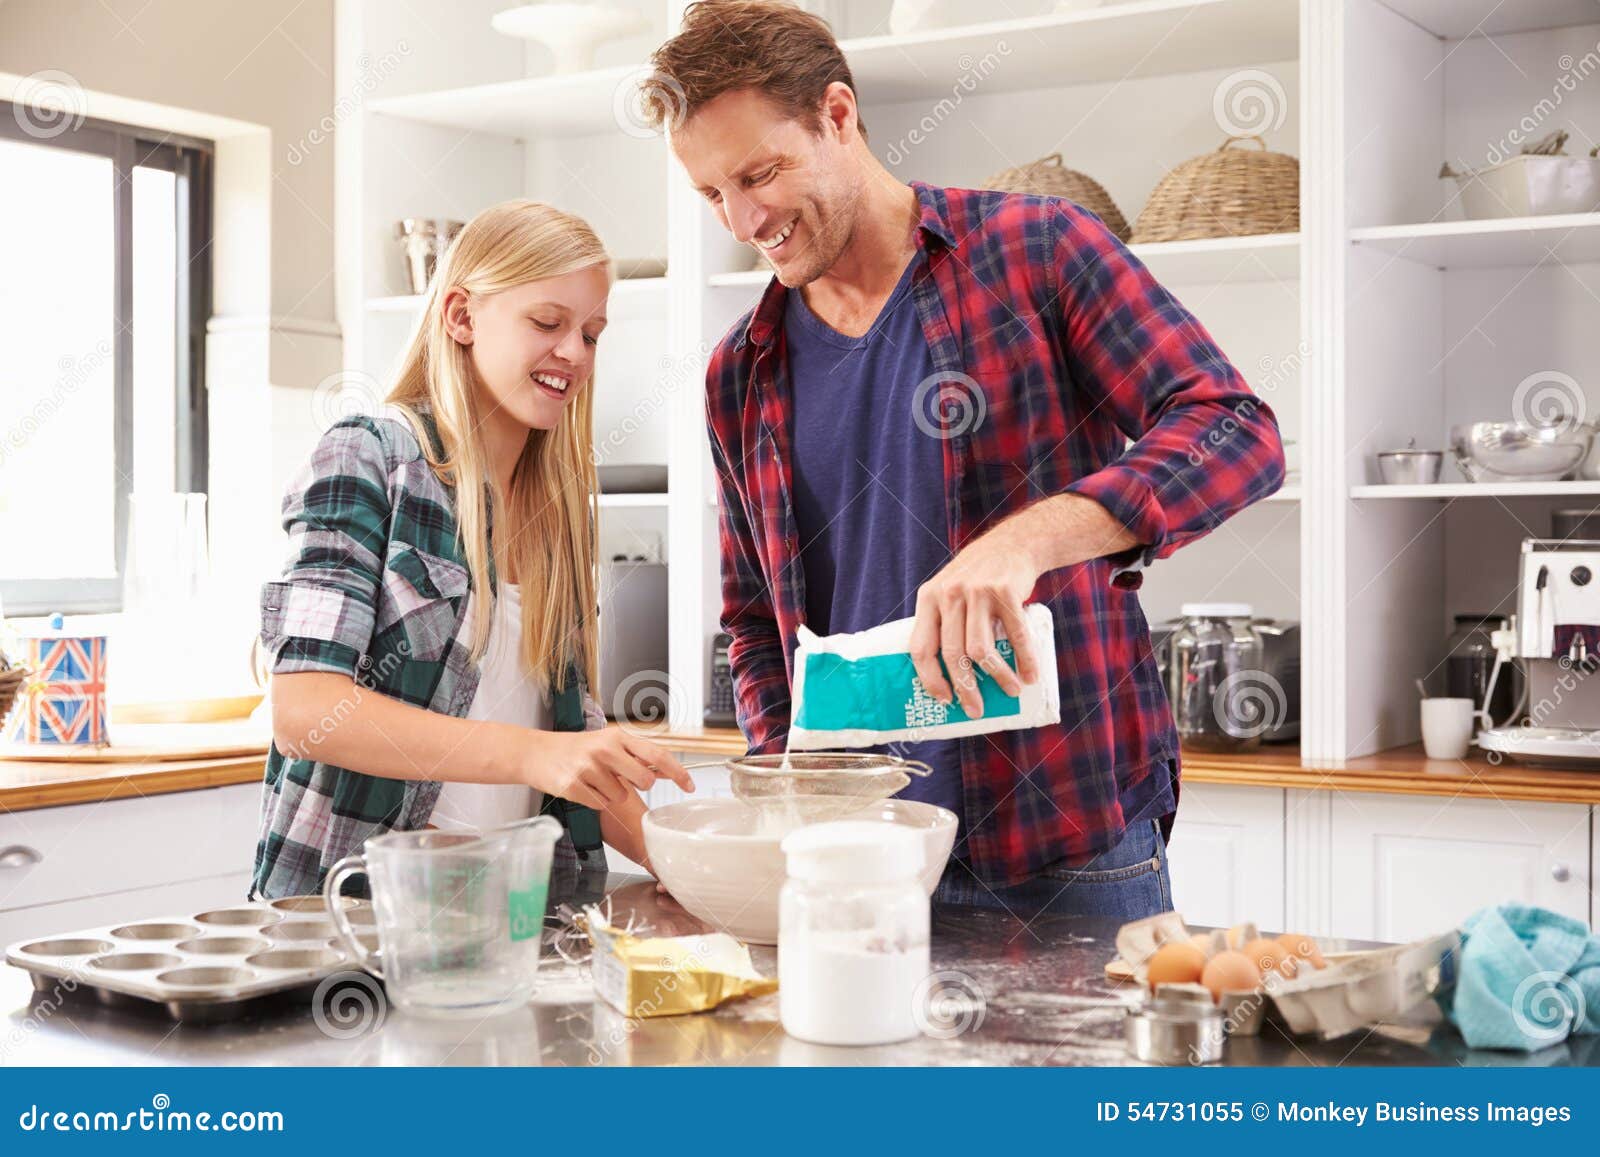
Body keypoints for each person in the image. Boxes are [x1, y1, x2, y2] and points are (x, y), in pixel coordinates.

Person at [641, 2, 1285, 920]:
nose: (743, 220)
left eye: (760, 173)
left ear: (837, 115)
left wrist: (1027, 540)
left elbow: (1236, 430)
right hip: (854, 858)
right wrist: (789, 798)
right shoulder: (740, 372)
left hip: (1065, 844)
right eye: (712, 194)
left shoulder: (1036, 250)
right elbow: (753, 624)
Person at [251, 200, 692, 900]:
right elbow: (306, 711)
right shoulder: (371, 456)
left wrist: (699, 871)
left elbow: (570, 748)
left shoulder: (557, 510)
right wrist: (536, 755)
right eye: (546, 323)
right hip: (356, 921)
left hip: (511, 919)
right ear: (461, 316)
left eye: (591, 333)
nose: (575, 353)